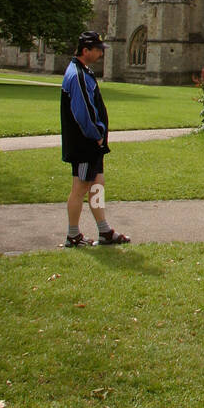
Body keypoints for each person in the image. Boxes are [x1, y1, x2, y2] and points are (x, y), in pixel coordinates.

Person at [60, 31, 130, 247]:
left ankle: (104, 230)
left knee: (97, 185)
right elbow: (83, 113)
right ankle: (73, 235)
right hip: (85, 144)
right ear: (85, 50)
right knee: (80, 187)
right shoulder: (78, 75)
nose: (101, 53)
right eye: (98, 49)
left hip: (92, 145)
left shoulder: (83, 72)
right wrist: (97, 135)